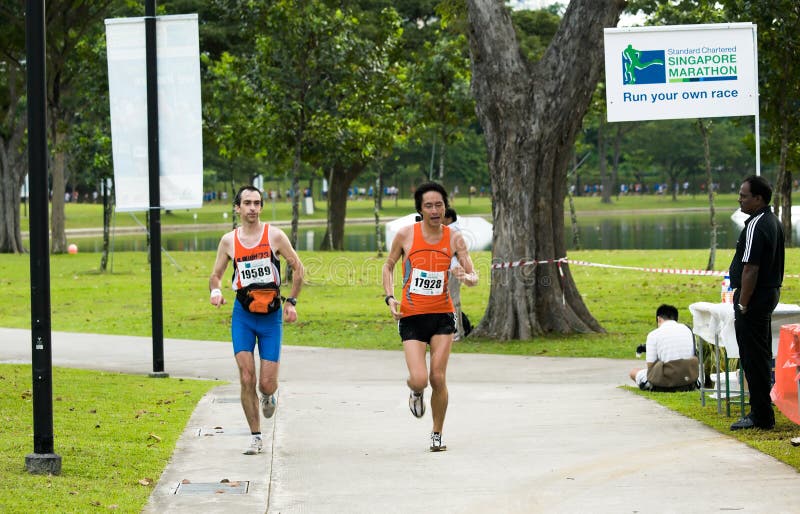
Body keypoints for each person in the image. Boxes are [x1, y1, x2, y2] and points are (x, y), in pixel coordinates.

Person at [382, 182, 478, 452]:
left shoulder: (455, 238)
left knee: (437, 377)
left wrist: (466, 276)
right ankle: (415, 391)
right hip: (411, 316)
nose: (435, 210)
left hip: (442, 316)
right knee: (420, 379)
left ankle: (437, 434)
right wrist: (390, 298)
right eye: (429, 206)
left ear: (445, 207)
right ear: (420, 210)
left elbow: (473, 275)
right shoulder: (405, 235)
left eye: (439, 205)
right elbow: (388, 266)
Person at [209, 185, 304, 454]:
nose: (252, 208)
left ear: (261, 207)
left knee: (265, 383)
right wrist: (216, 291)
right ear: (237, 208)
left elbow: (298, 268)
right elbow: (215, 275)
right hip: (243, 316)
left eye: (257, 203)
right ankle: (256, 436)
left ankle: (269, 394)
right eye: (247, 203)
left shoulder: (274, 236)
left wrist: (292, 301)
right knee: (247, 376)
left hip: (271, 318)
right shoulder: (229, 241)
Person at [729, 175, 784, 431]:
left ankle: (760, 415)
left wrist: (743, 303)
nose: (740, 199)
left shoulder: (756, 224)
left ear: (758, 198)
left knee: (753, 357)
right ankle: (763, 411)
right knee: (760, 355)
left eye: (744, 195)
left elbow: (751, 268)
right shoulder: (772, 221)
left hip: (755, 298)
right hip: (768, 294)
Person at [629, 304, 698, 392]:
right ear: (676, 318)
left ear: (659, 319)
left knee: (634, 372)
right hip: (689, 380)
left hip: (665, 383)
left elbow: (650, 367)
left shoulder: (653, 334)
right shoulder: (688, 330)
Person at [443, 207, 465, 341]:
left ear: (449, 218)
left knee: (454, 299)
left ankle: (457, 331)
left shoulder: (453, 230)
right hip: (452, 267)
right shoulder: (452, 230)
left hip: (454, 268)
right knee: (451, 299)